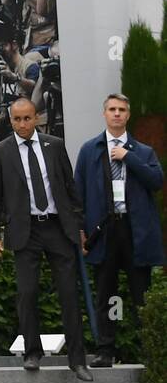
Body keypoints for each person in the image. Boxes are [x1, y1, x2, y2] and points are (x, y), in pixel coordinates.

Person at [0, 97, 91, 380]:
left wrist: (78, 226)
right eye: (17, 119)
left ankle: (78, 360)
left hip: (58, 228)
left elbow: (71, 189)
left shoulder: (54, 146)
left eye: (27, 118)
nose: (22, 124)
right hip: (24, 231)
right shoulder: (1, 152)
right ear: (11, 121)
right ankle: (32, 353)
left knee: (69, 294)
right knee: (27, 293)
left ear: (36, 118)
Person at [74, 93, 164, 366]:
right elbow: (78, 193)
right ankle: (106, 350)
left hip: (135, 230)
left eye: (121, 109)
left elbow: (156, 181)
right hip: (104, 230)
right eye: (112, 109)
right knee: (108, 294)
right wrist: (80, 228)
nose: (116, 114)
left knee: (141, 295)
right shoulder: (90, 149)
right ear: (104, 114)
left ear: (128, 115)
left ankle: (149, 351)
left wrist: (128, 157)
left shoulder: (143, 151)